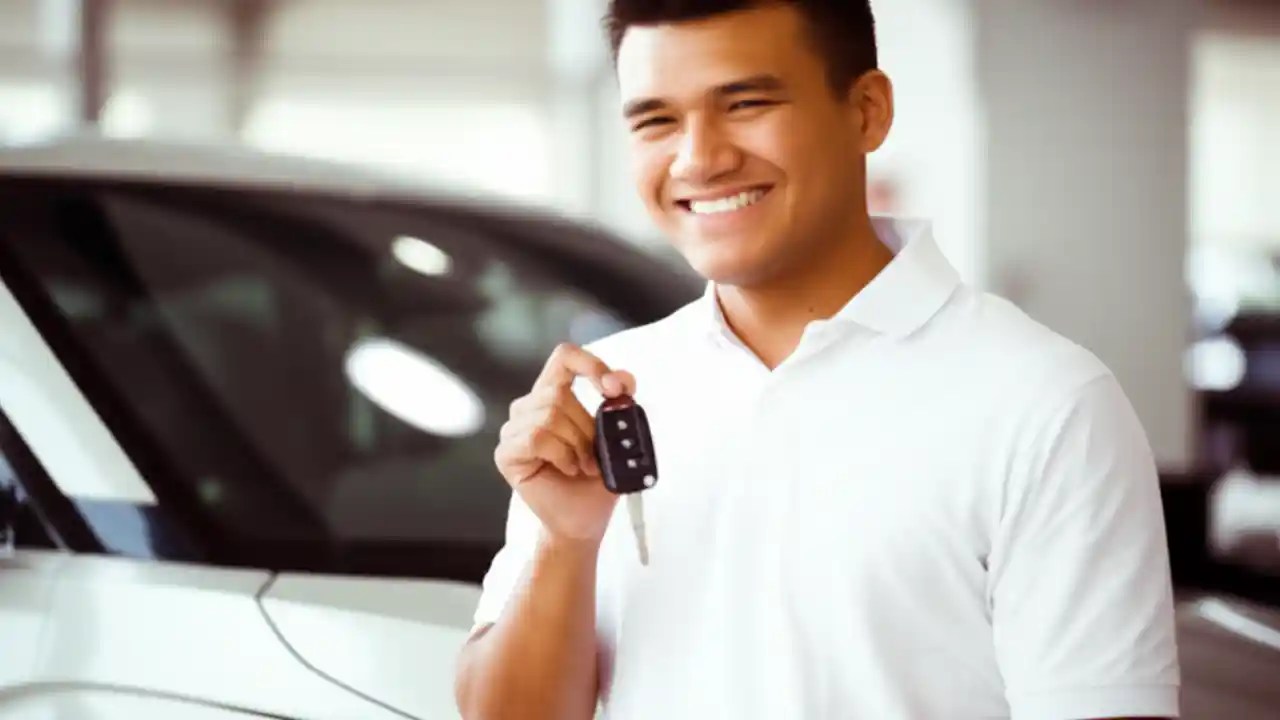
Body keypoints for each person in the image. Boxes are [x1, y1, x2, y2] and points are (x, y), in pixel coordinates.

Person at [454, 1, 1180, 718]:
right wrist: (565, 541)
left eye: (745, 104)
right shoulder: (604, 392)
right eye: (656, 120)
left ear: (867, 110)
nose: (699, 158)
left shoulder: (1046, 401)